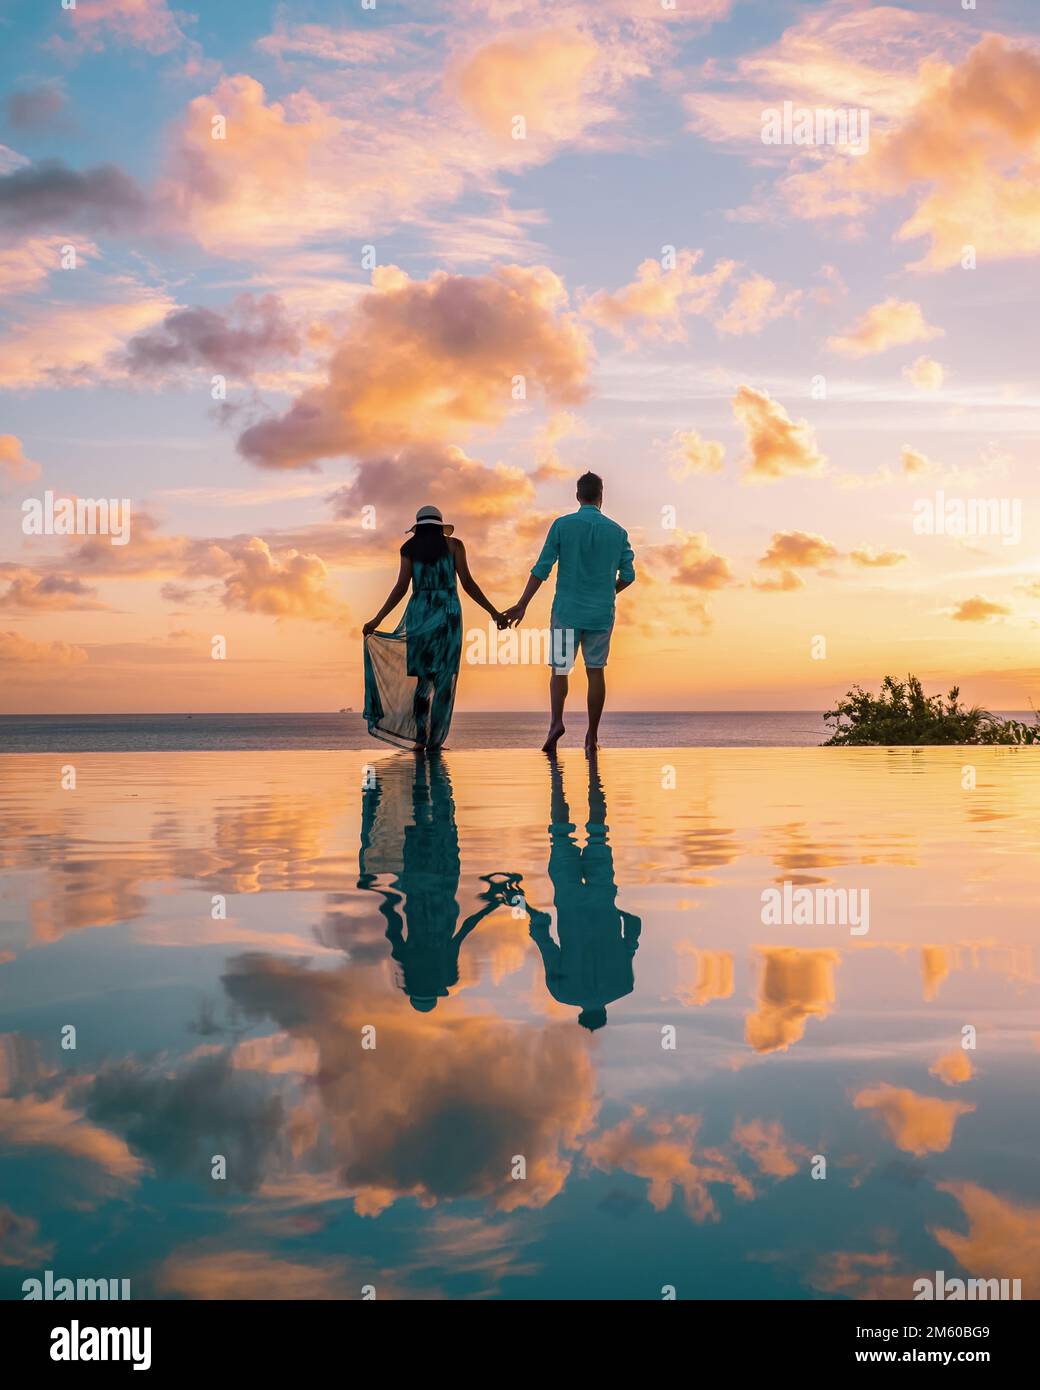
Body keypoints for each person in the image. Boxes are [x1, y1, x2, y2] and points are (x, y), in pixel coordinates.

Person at [504, 473, 635, 753]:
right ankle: (592, 737)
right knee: (596, 671)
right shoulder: (618, 532)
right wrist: (608, 592)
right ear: (602, 496)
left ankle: (556, 723)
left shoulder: (562, 526)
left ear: (578, 496)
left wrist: (522, 603)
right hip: (600, 613)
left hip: (566, 611)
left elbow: (542, 568)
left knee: (559, 669)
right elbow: (629, 575)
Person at [362, 505, 507, 750]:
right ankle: (435, 740)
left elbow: (400, 588)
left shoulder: (409, 549)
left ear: (418, 528)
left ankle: (421, 738)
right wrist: (493, 612)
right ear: (440, 526)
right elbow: (468, 583)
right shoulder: (454, 546)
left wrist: (377, 619)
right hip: (448, 613)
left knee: (423, 679)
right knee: (444, 679)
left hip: (419, 613)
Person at [520, 753, 641, 1030]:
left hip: (602, 895)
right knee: (560, 834)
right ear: (580, 1014)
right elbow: (543, 936)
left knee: (598, 832)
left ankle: (593, 772)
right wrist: (526, 909)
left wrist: (612, 908)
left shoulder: (624, 985)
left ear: (605, 1013)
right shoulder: (563, 993)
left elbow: (634, 927)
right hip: (569, 899)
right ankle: (556, 777)